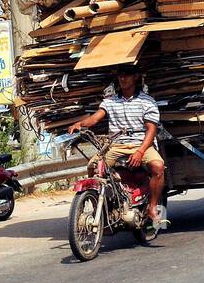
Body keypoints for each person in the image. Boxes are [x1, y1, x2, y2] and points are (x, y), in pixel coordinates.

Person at [68, 66, 166, 223]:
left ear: (135, 77)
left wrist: (140, 151)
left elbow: (151, 130)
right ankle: (100, 204)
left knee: (158, 167)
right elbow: (94, 119)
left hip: (141, 145)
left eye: (126, 75)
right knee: (94, 165)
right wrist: (79, 124)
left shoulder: (147, 101)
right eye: (120, 75)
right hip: (116, 145)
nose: (123, 78)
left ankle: (152, 207)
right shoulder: (110, 101)